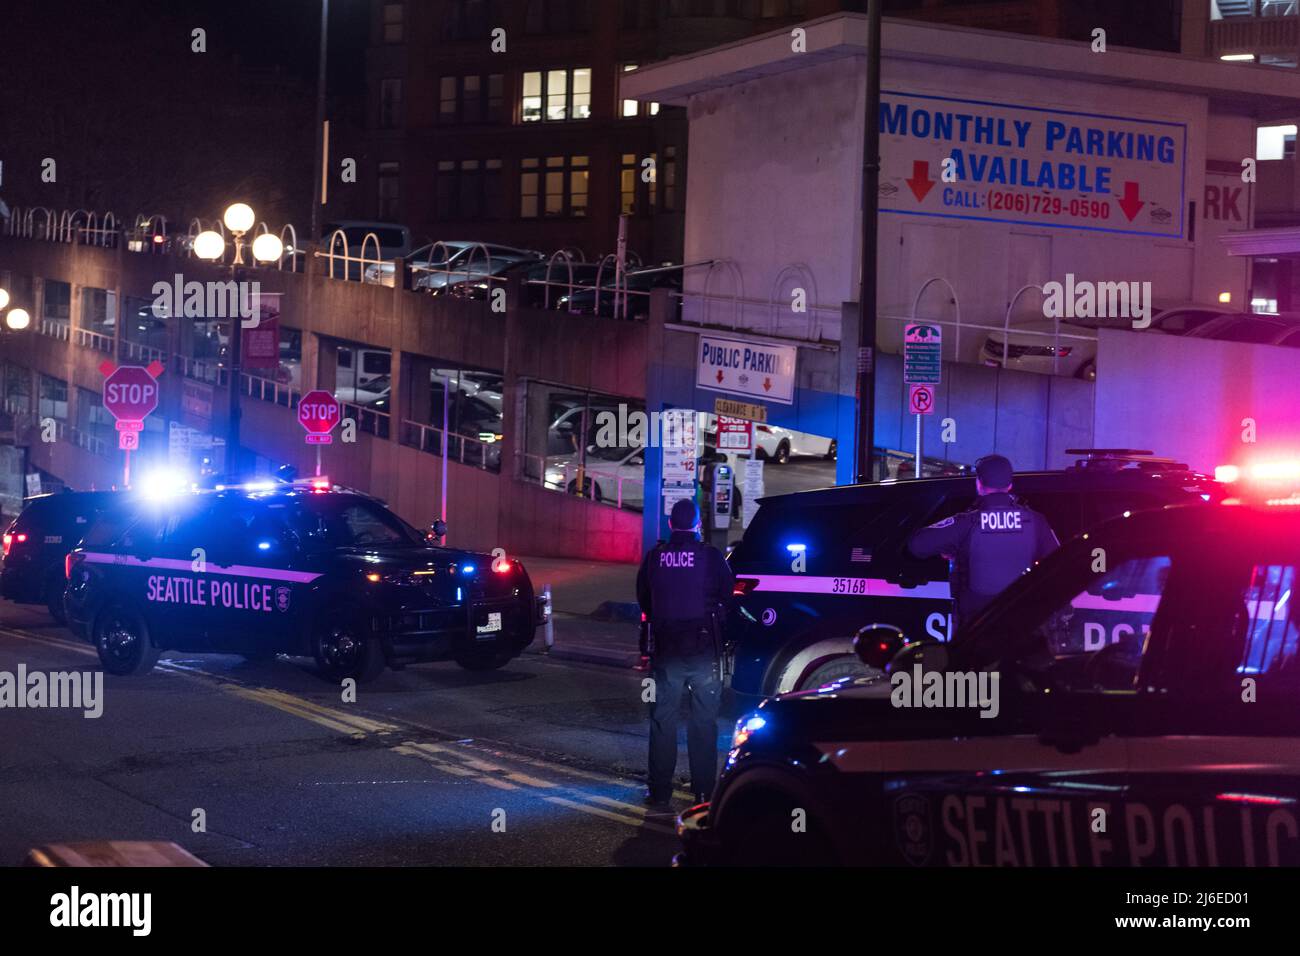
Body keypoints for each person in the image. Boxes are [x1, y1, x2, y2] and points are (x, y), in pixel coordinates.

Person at [636, 497, 734, 810]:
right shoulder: (711, 556)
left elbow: (645, 600)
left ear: (670, 524)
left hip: (666, 654)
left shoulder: (655, 557)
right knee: (703, 723)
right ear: (696, 524)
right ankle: (704, 794)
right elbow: (727, 593)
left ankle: (660, 792)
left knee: (662, 721)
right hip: (704, 651)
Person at [908, 454, 1058, 634]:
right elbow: (1059, 563)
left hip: (976, 628)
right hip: (1023, 629)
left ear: (979, 483)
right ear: (1010, 485)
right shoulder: (1036, 521)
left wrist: (952, 546)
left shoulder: (966, 522)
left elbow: (916, 546)